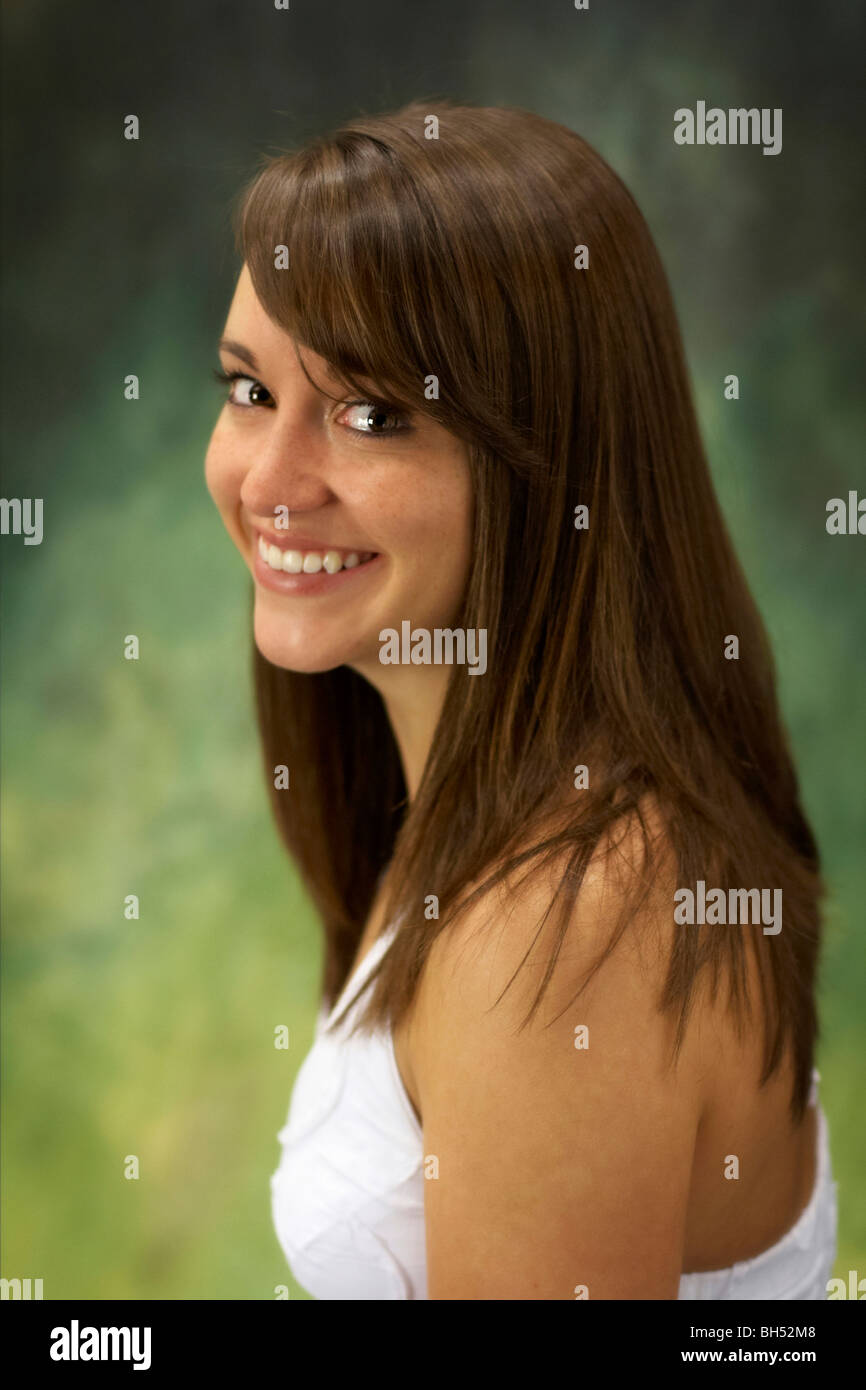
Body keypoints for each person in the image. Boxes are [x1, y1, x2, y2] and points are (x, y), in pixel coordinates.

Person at [204, 100, 837, 1299]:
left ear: (547, 460)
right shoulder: (501, 820)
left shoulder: (560, 926)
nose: (270, 482)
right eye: (247, 391)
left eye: (370, 413)